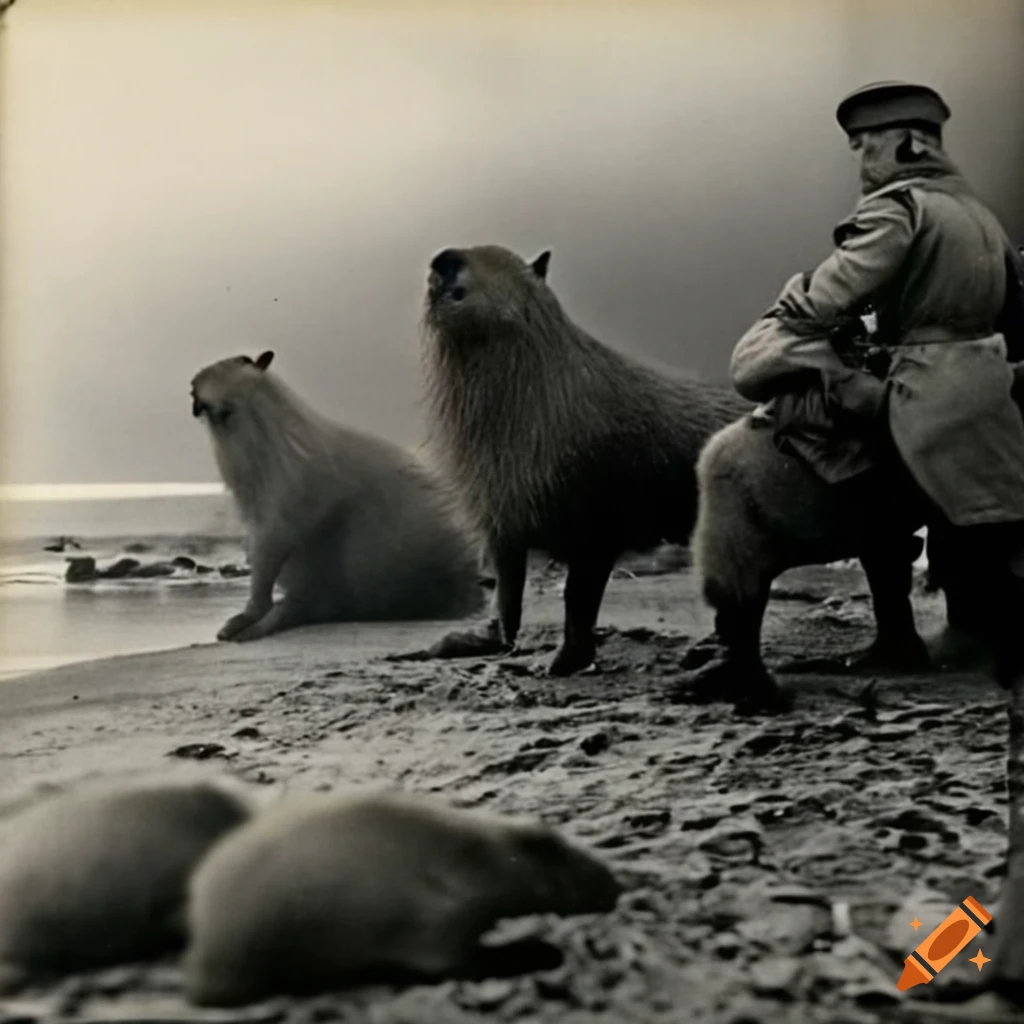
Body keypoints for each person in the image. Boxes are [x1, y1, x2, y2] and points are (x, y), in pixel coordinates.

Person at [728, 81, 1024, 1011]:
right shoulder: (980, 216)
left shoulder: (896, 209)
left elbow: (827, 300)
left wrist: (801, 312)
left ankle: (958, 959)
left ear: (901, 146)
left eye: (867, 147)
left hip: (925, 402)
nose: (861, 164)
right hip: (990, 413)